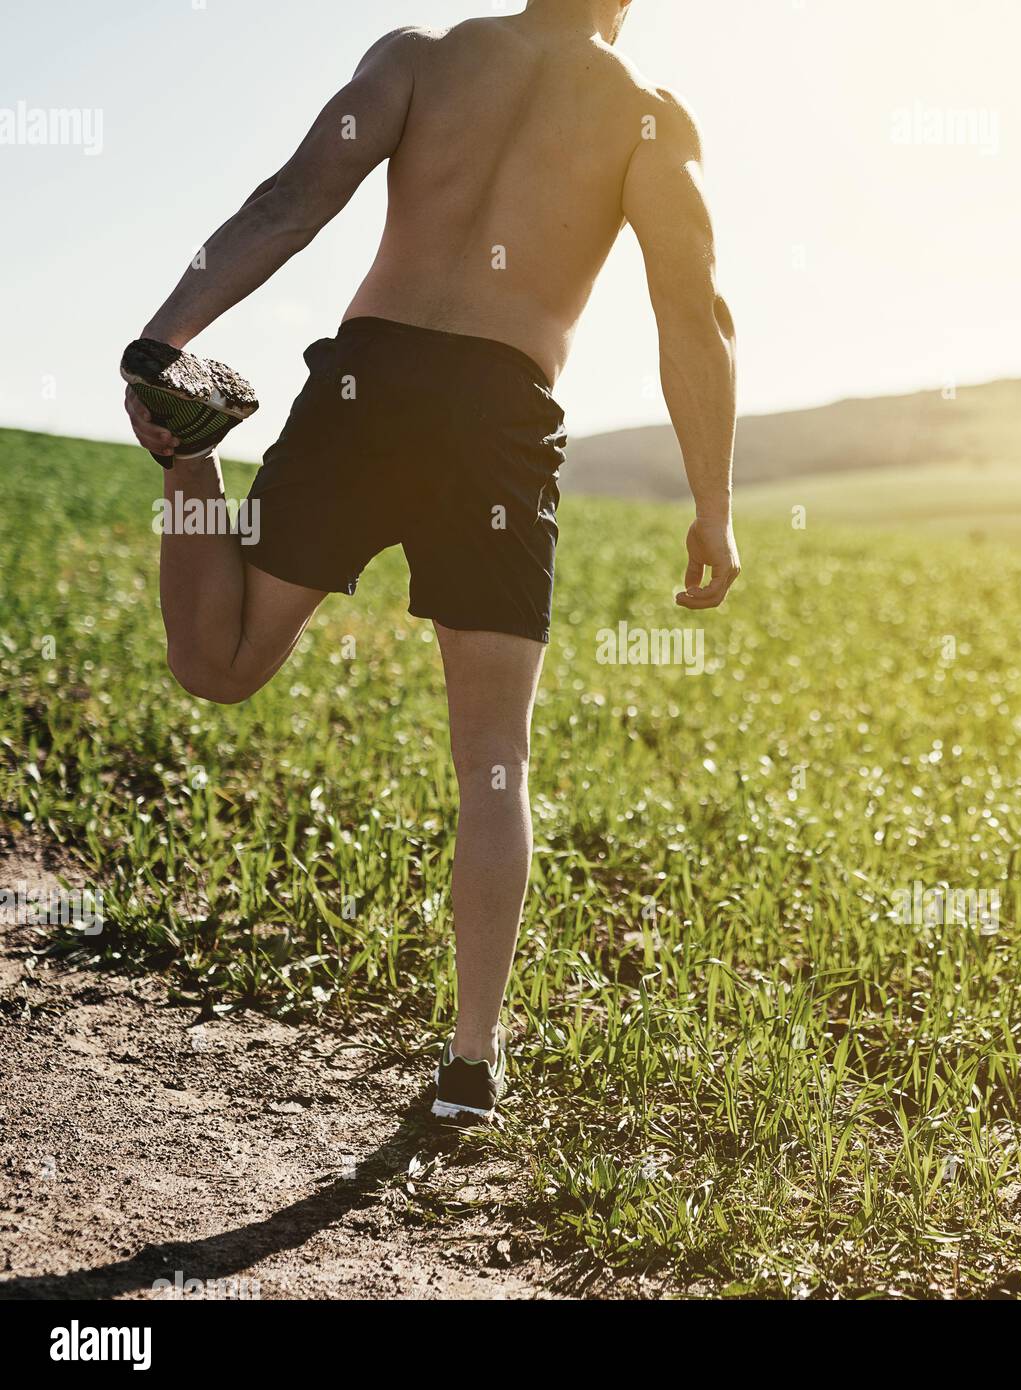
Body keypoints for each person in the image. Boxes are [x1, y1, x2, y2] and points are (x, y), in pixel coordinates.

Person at [123, 0, 740, 1122]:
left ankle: (189, 454)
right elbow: (689, 307)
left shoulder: (423, 59)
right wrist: (713, 506)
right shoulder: (647, 121)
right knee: (494, 760)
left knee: (217, 665)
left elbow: (292, 202)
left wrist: (164, 341)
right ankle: (469, 1062)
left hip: (370, 386)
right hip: (498, 421)